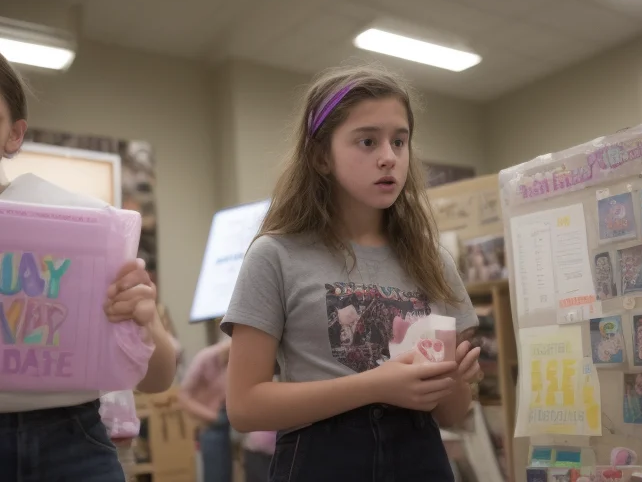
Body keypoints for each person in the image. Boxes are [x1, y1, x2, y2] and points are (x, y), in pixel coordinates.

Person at [222, 64, 482, 481]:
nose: (389, 157)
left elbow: (452, 413)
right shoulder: (275, 255)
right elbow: (245, 406)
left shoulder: (434, 261)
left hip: (420, 457)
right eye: (367, 141)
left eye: (400, 141)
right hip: (321, 459)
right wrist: (376, 386)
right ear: (321, 156)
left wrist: (450, 379)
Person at [0, 52, 178, 480]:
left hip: (73, 437)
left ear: (13, 134)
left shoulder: (80, 232)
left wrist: (142, 319)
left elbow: (158, 377)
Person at [178, 338, 232, 482]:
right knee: (217, 475)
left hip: (230, 417)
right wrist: (211, 416)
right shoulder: (205, 358)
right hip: (212, 422)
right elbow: (183, 396)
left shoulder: (234, 362)